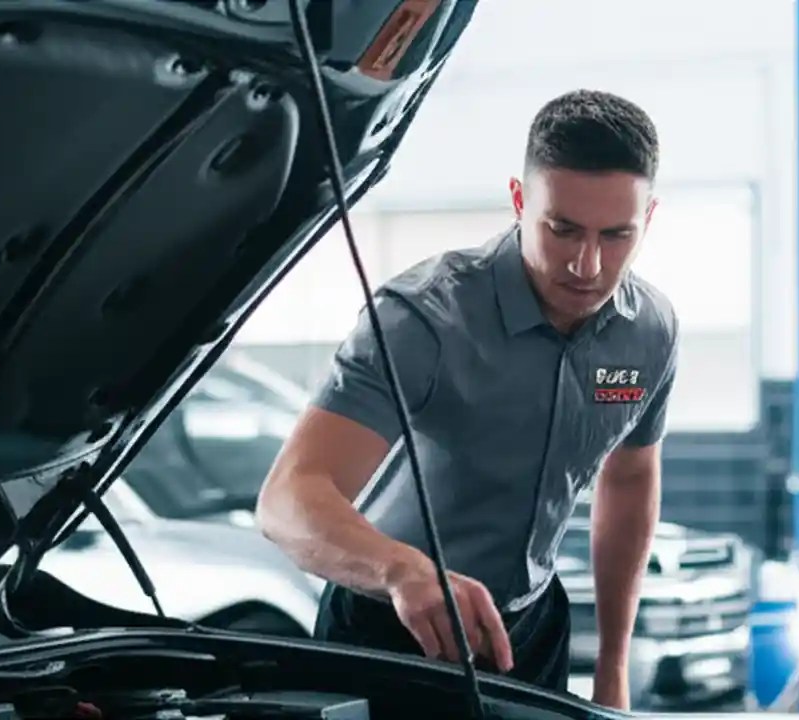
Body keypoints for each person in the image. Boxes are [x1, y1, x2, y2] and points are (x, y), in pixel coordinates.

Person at [255, 89, 679, 710]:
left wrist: (612, 664)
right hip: (388, 631)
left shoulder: (652, 331)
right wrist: (402, 571)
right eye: (561, 230)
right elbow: (288, 500)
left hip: (531, 632)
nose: (587, 264)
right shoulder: (421, 319)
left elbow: (631, 478)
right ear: (518, 200)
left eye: (617, 236)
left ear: (650, 218)